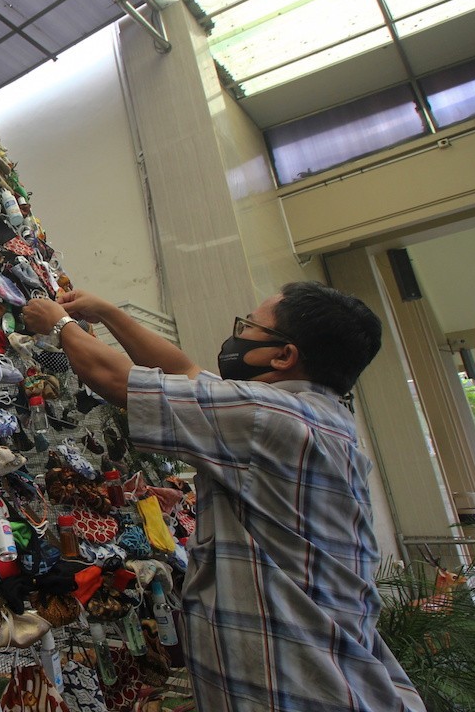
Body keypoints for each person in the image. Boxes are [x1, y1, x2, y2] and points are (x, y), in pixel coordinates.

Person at [23, 282, 425, 712]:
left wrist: (60, 325)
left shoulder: (268, 417)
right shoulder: (316, 416)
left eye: (248, 326)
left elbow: (114, 380)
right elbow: (186, 373)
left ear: (284, 355)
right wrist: (107, 313)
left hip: (301, 688)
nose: (237, 335)